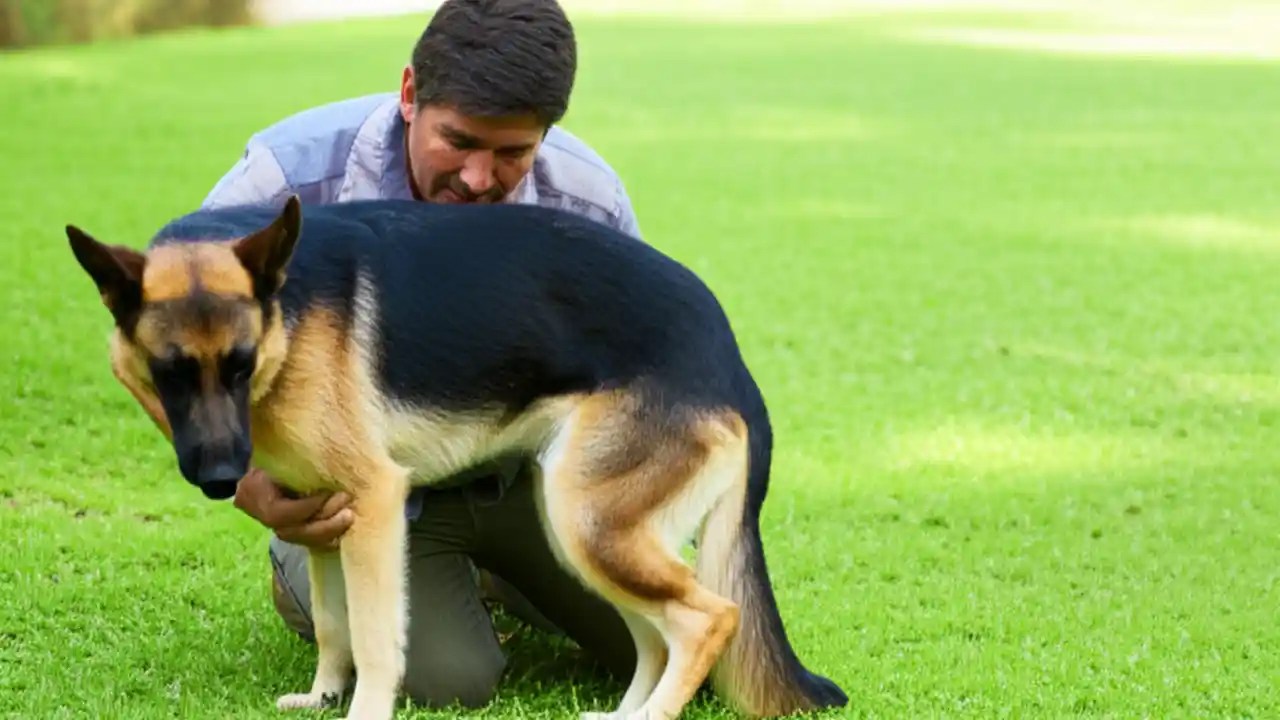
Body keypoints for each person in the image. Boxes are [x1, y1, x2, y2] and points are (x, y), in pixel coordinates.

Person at [201, 0, 642, 708]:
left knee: (695, 645)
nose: (477, 177)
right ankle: (316, 587)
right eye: (459, 141)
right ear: (410, 94)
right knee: (454, 679)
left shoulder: (589, 205)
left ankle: (510, 574)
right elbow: (191, 355)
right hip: (355, 491)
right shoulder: (284, 183)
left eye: (512, 154)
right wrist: (249, 479)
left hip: (526, 481)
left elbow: (631, 375)